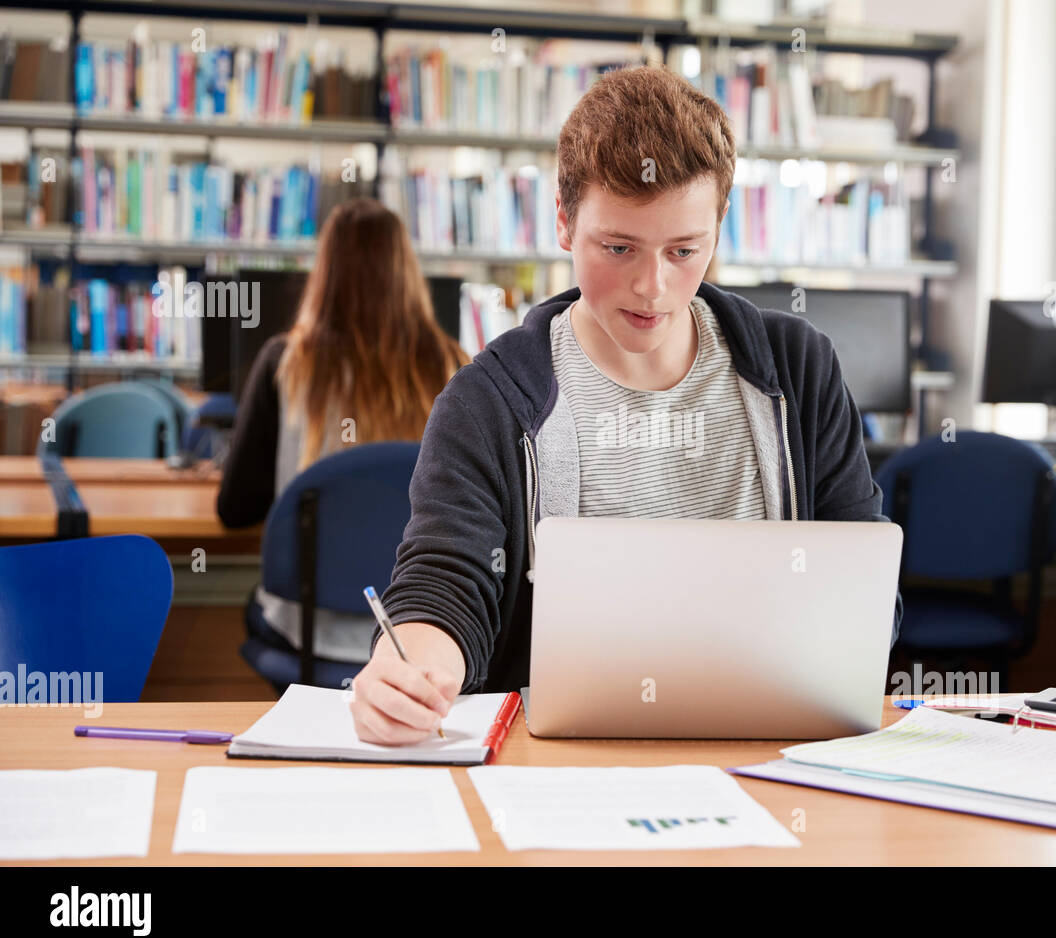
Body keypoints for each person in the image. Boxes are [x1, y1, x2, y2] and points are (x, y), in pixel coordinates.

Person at [349, 65, 902, 744]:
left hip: (771, 754)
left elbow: (864, 584)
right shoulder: (489, 400)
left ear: (718, 229)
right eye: (618, 247)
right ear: (563, 221)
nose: (652, 286)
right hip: (562, 769)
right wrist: (413, 668)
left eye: (684, 250)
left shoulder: (799, 370)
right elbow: (447, 579)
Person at [217, 197, 469, 665]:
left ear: (324, 274)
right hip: (422, 637)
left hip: (308, 632)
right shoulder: (456, 365)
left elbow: (235, 510)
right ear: (407, 272)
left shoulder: (285, 363)